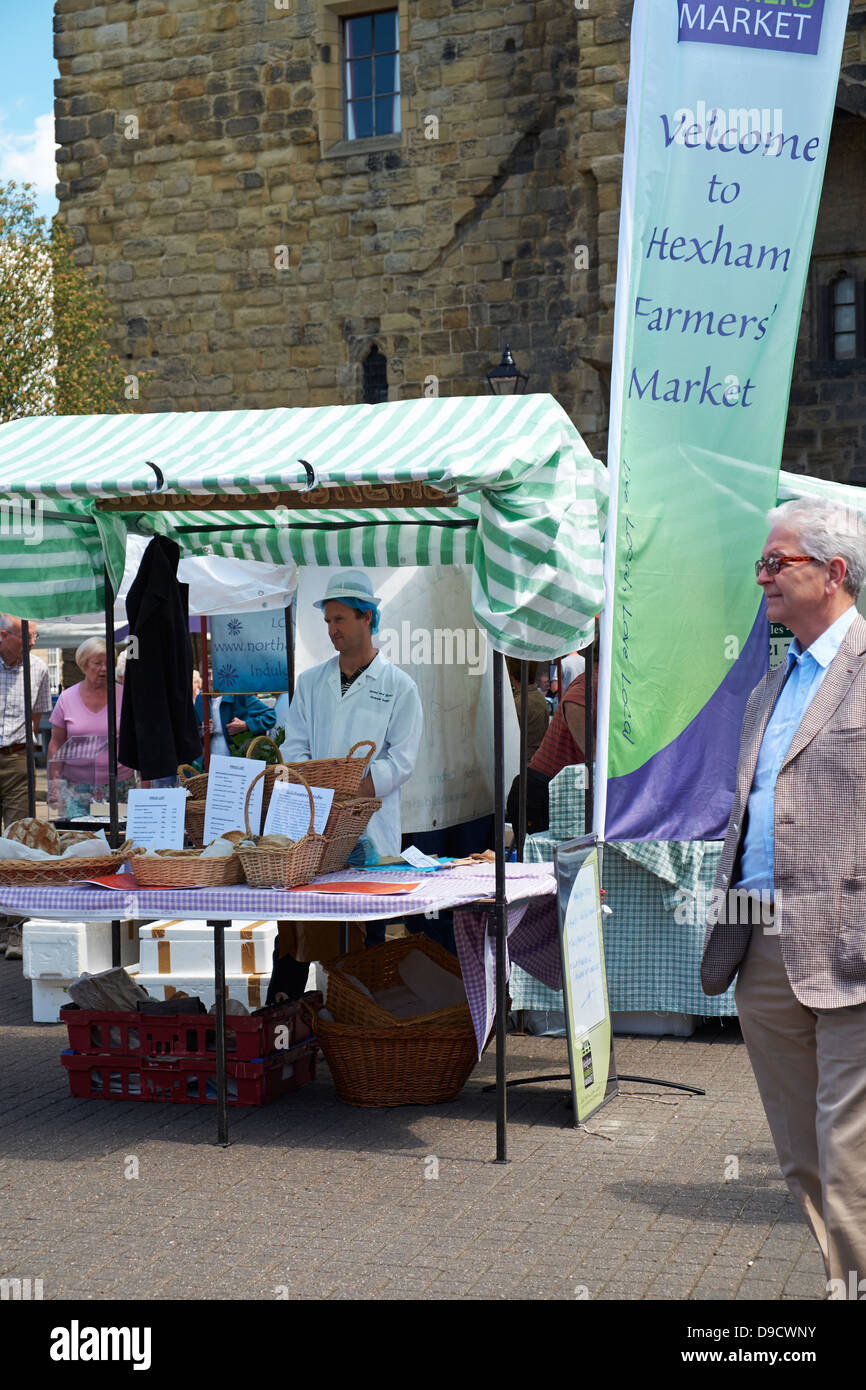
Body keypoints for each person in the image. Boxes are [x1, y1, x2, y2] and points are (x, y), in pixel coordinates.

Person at [701, 497, 866, 1296]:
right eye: (762, 562)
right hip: (760, 945)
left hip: (851, 947)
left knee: (847, 1150)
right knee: (801, 1155)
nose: (761, 575)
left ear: (833, 573)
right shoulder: (771, 684)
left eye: (777, 561)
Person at [267, 569, 423, 1001]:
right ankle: (286, 1020)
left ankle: (364, 1024)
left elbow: (402, 759)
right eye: (328, 621)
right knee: (300, 933)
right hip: (313, 828)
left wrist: (353, 793)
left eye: (340, 619)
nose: (332, 629)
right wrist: (317, 792)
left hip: (371, 830)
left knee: (367, 936)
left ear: (367, 618)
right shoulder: (311, 682)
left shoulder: (399, 686)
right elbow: (294, 746)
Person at [506, 635, 598, 835]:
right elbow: (574, 702)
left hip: (545, 785)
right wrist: (598, 758)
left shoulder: (526, 700)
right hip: (544, 789)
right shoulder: (593, 679)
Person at [47, 638, 136, 817]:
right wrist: (54, 784)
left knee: (117, 841)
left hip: (119, 785)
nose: (103, 669)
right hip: (75, 788)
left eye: (108, 663)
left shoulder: (125, 696)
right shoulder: (66, 698)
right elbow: (56, 744)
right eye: (97, 663)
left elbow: (138, 741)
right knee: (77, 839)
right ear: (84, 664)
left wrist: (145, 786)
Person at [0, 615, 51, 829]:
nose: (32, 643)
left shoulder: (38, 668)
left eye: (34, 636)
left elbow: (35, 718)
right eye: (26, 637)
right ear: (3, 636)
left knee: (19, 833)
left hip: (18, 760)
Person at [194, 683, 275, 758]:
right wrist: (202, 731)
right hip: (209, 762)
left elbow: (270, 716)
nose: (211, 678)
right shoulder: (200, 699)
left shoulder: (239, 694)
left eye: (214, 673)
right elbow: (193, 730)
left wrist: (246, 725)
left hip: (238, 761)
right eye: (208, 674)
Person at [505, 657, 548, 765]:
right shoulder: (538, 696)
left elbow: (507, 740)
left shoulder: (519, 703)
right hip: (535, 761)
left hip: (523, 765)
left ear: (510, 672)